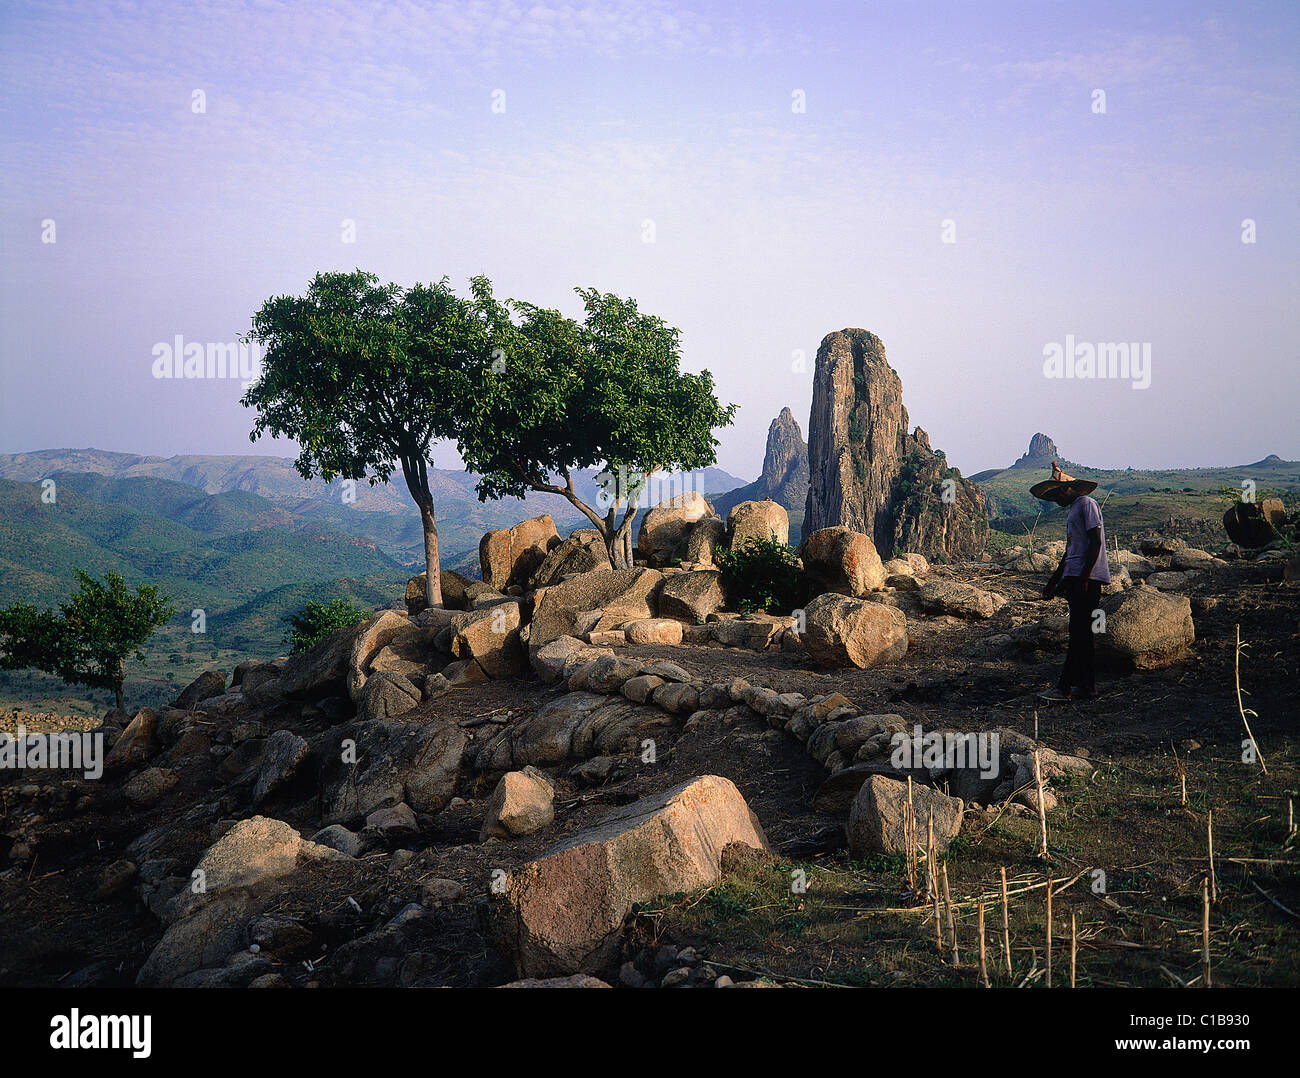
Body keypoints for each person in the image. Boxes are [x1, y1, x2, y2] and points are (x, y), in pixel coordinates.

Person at [1032, 462, 1110, 701]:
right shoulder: (1075, 509)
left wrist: (1085, 577)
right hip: (1076, 577)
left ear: (1066, 489)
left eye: (1056, 495)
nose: (1055, 501)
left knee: (1079, 634)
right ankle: (1087, 686)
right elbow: (1071, 552)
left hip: (1085, 579)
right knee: (1082, 634)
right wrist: (1054, 582)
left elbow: (1095, 542)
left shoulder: (1087, 504)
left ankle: (1064, 687)